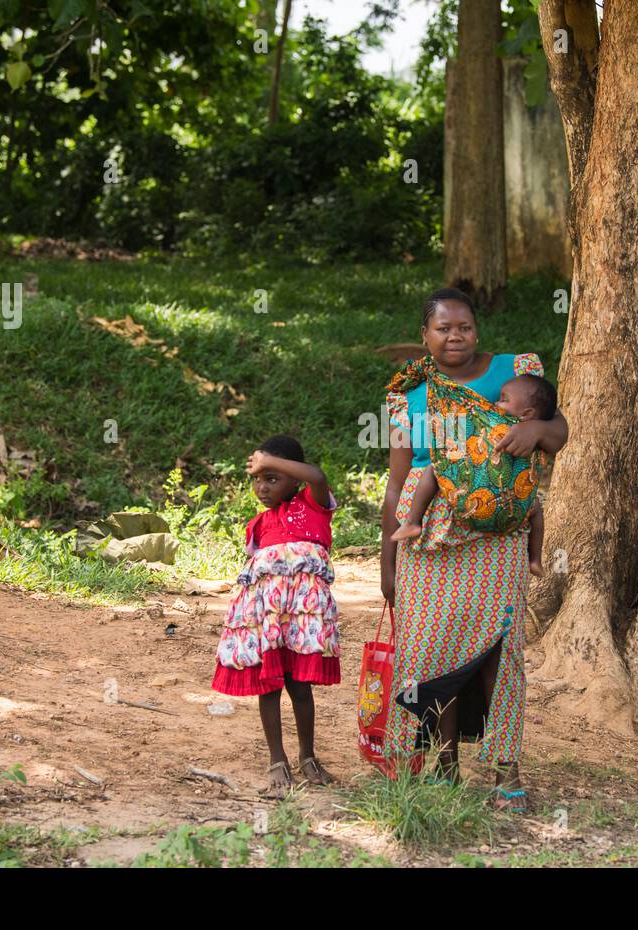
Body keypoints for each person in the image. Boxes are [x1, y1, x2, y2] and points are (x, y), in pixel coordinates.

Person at [381, 288, 568, 811]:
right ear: (425, 337)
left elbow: (560, 431)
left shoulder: (516, 371)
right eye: (442, 328)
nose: (454, 336)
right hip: (427, 541)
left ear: (476, 330)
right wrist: (387, 558)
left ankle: (506, 772)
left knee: (500, 654)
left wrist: (535, 428)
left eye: (463, 326)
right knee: (429, 651)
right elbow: (397, 482)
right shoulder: (408, 392)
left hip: (497, 537)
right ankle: (442, 765)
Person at [212, 434, 341, 796]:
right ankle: (277, 759)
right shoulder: (258, 525)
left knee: (300, 686)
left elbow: (316, 475)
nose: (262, 487)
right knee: (268, 687)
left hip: (302, 617)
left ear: (292, 477)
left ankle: (308, 756)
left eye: (272, 478)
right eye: (257, 479)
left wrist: (266, 459)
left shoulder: (313, 504)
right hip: (267, 618)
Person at [391, 372, 555, 577]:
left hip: (488, 491)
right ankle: (535, 559)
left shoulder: (505, 425)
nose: (495, 403)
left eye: (503, 400)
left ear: (527, 413)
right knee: (536, 509)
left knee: (434, 470)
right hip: (514, 502)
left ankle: (413, 522)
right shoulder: (535, 433)